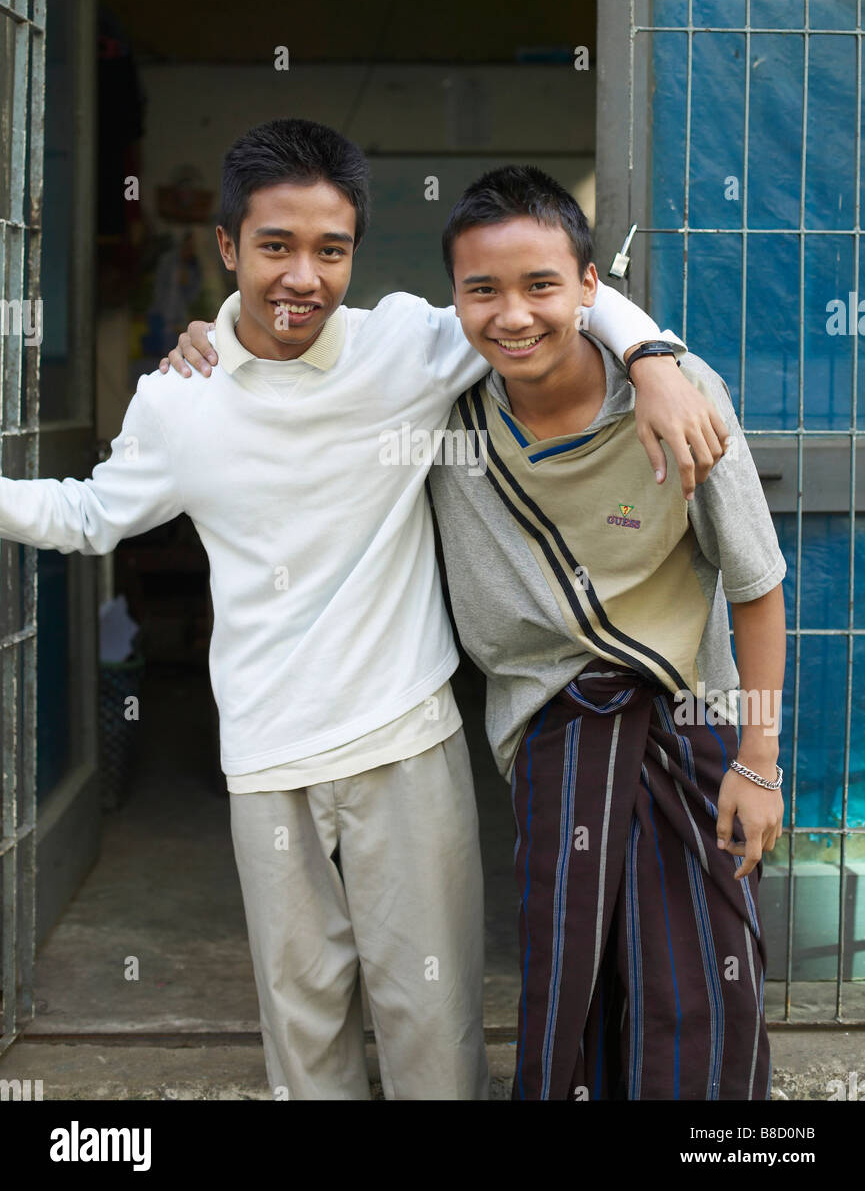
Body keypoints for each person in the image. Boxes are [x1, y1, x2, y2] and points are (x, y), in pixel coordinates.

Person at [5, 118, 726, 1101]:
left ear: (352, 252)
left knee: (432, 1027)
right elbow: (90, 512)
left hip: (405, 739)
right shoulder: (181, 401)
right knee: (304, 1031)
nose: (302, 275)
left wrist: (653, 359)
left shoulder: (405, 344)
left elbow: (551, 294)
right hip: (266, 756)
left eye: (329, 249)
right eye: (275, 247)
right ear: (227, 248)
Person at [421, 165, 785, 1101]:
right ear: (452, 300)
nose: (513, 315)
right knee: (575, 969)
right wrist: (211, 337)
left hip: (689, 716)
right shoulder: (440, 413)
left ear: (591, 287)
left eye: (541, 285)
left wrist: (756, 760)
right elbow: (309, 359)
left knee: (705, 967)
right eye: (482, 291)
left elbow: (754, 584)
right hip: (551, 728)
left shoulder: (677, 396)